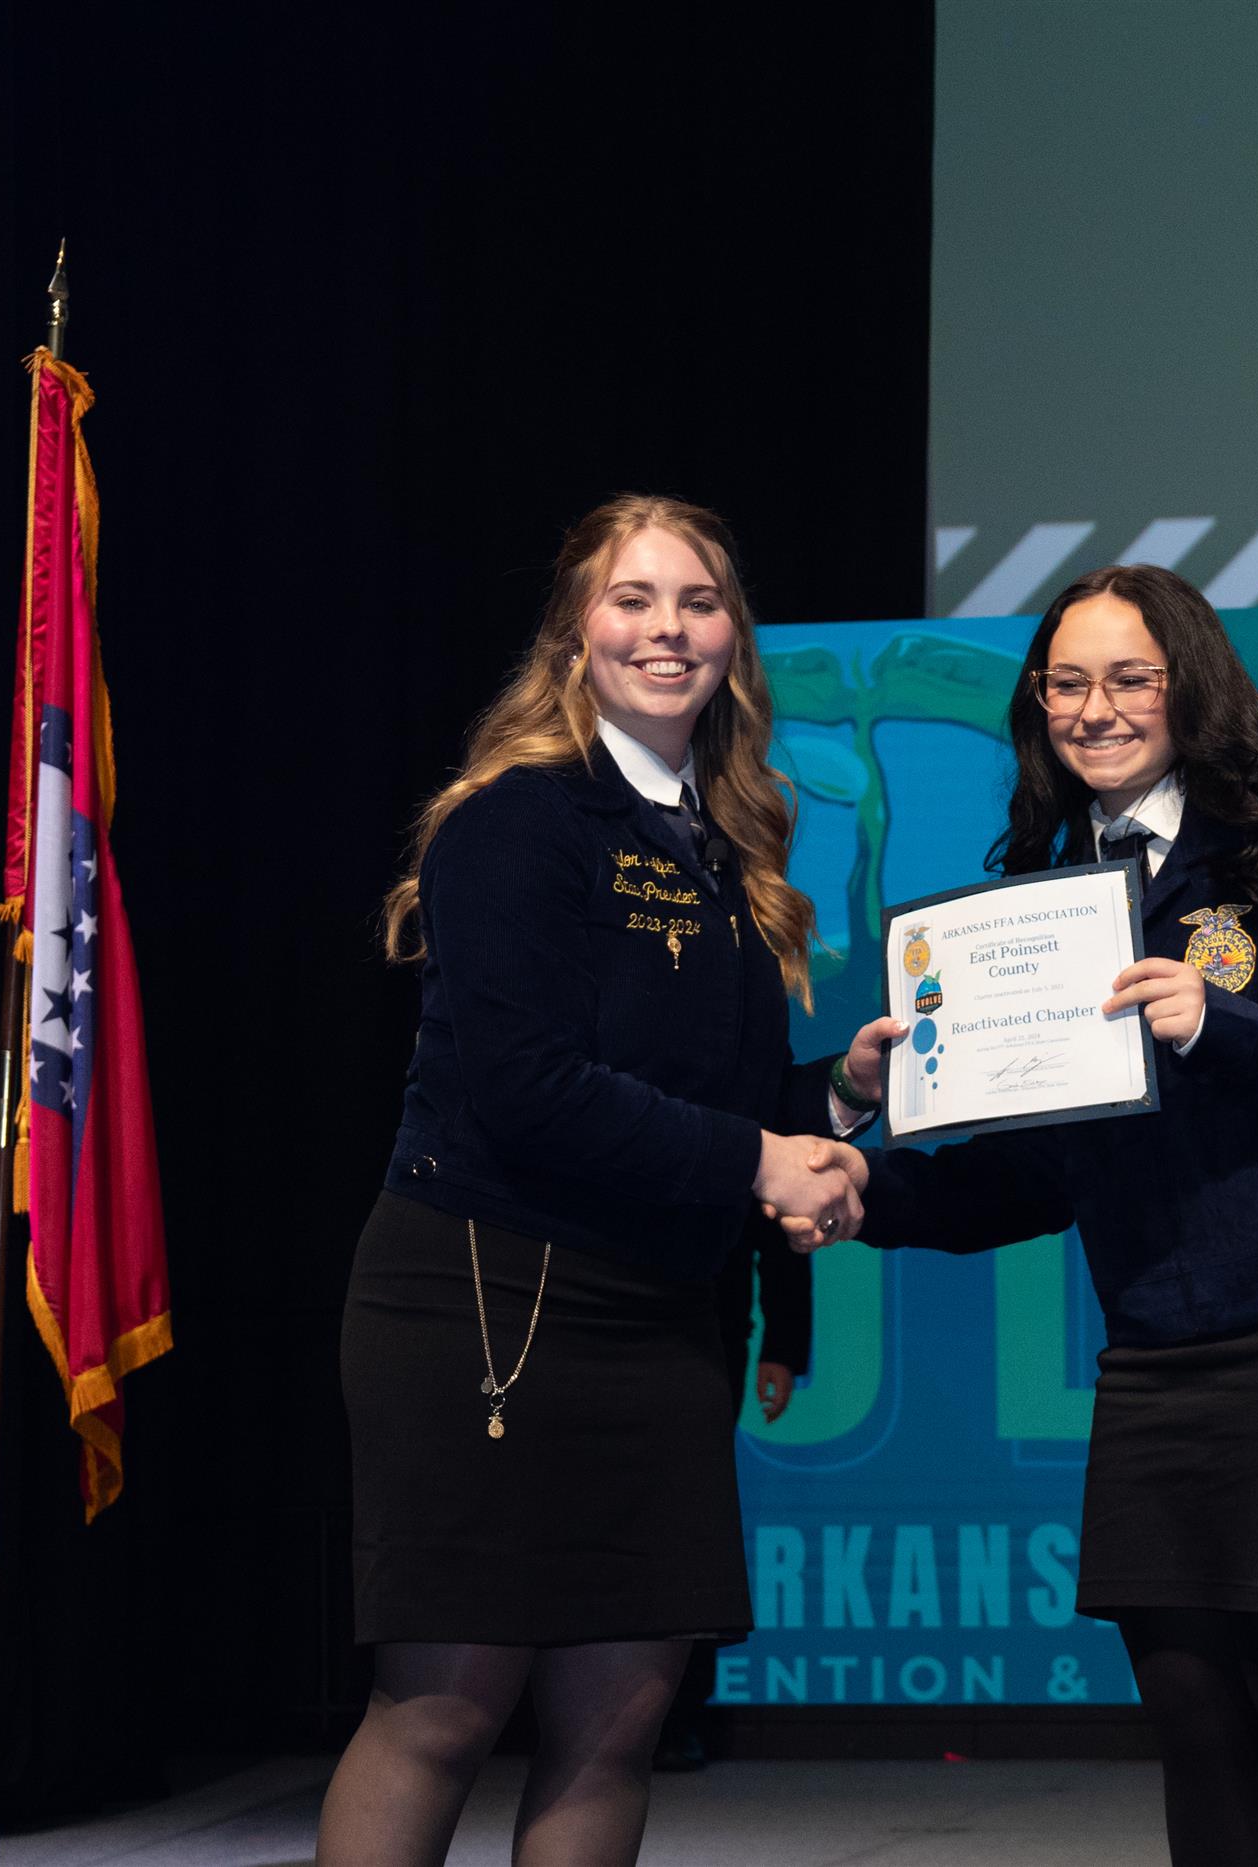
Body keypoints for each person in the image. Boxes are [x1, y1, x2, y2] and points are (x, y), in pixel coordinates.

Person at [793, 563, 1258, 1867]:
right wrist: (861, 1185)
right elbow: (1043, 1174)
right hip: (1159, 1360)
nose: (1095, 708)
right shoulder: (1039, 906)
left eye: (1130, 677)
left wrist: (1230, 1023)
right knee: (1197, 1718)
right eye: (1067, 682)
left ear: (1191, 689)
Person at [320, 495, 887, 1867]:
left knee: (612, 1723)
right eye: (634, 598)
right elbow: (531, 1089)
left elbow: (716, 1105)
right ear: (577, 632)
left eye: (697, 602)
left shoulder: (734, 843)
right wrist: (763, 1153)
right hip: (485, 1303)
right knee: (443, 1711)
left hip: (661, 1325)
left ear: (733, 641)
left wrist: (842, 1096)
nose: (667, 627)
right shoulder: (517, 821)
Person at [653, 1214, 813, 1771]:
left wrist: (784, 1342)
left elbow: (777, 1215)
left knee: (690, 1522)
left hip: (708, 1325)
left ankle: (680, 1715)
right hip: (584, 1318)